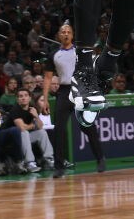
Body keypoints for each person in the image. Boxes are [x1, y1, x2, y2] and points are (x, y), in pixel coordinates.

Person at [41, 22, 105, 178]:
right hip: (64, 91)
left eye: (68, 31)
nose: (65, 34)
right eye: (63, 32)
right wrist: (45, 99)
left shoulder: (81, 52)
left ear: (72, 35)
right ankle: (59, 166)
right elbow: (48, 78)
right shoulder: (54, 55)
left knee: (87, 126)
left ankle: (100, 158)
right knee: (59, 129)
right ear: (59, 35)